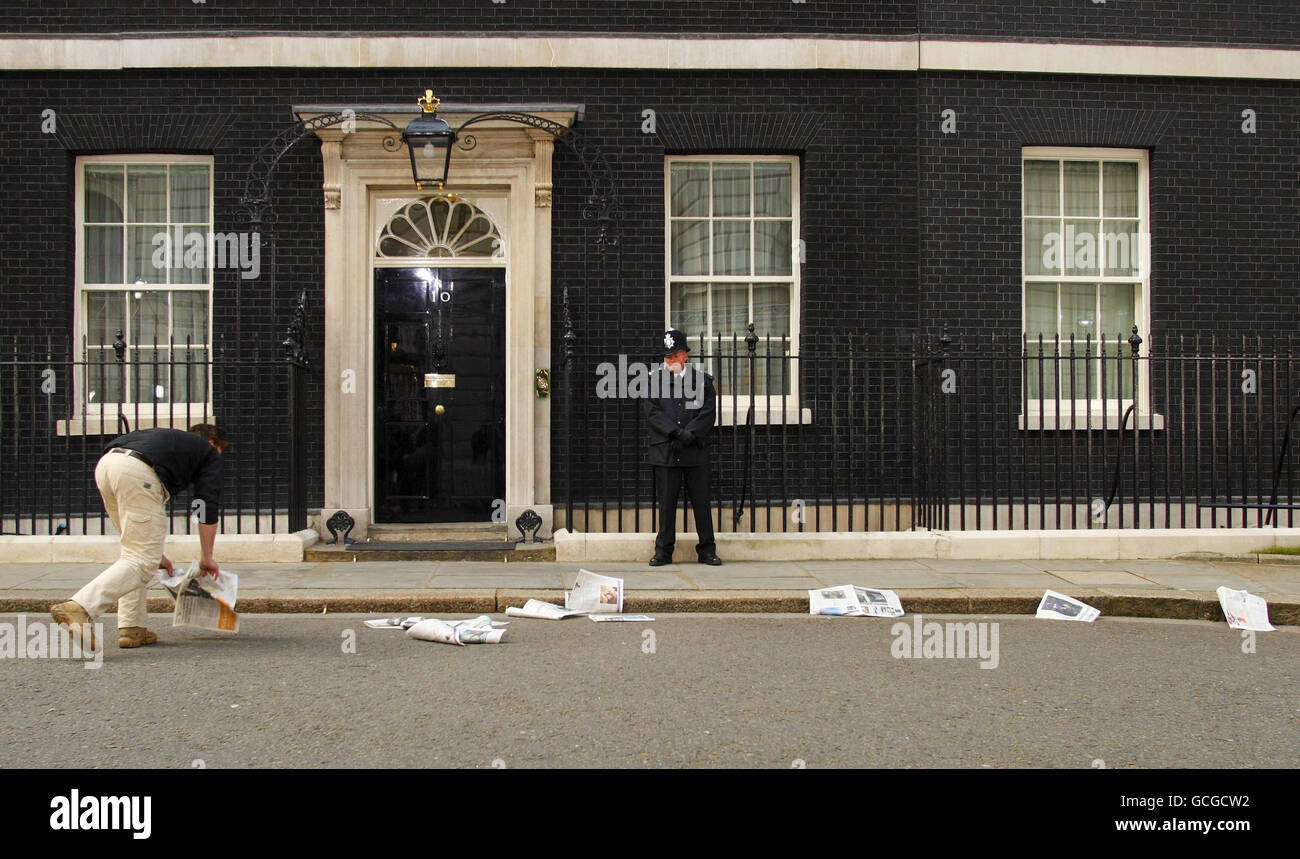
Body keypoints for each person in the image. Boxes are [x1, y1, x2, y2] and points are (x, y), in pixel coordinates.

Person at [50, 424, 227, 651]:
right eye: (221, 449)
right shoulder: (208, 452)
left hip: (106, 466)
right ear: (213, 441)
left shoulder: (166, 440)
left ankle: (132, 628)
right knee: (141, 561)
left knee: (134, 556)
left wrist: (157, 555)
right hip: (138, 474)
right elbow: (205, 504)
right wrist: (207, 557)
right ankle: (80, 607)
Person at [642, 329, 721, 566]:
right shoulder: (653, 381)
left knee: (701, 503)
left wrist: (690, 434)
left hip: (694, 450)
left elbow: (708, 412)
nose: (671, 360)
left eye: (675, 355)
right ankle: (664, 551)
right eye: (667, 356)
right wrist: (675, 432)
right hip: (666, 450)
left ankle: (707, 550)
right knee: (666, 505)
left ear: (685, 355)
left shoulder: (702, 381)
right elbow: (652, 412)